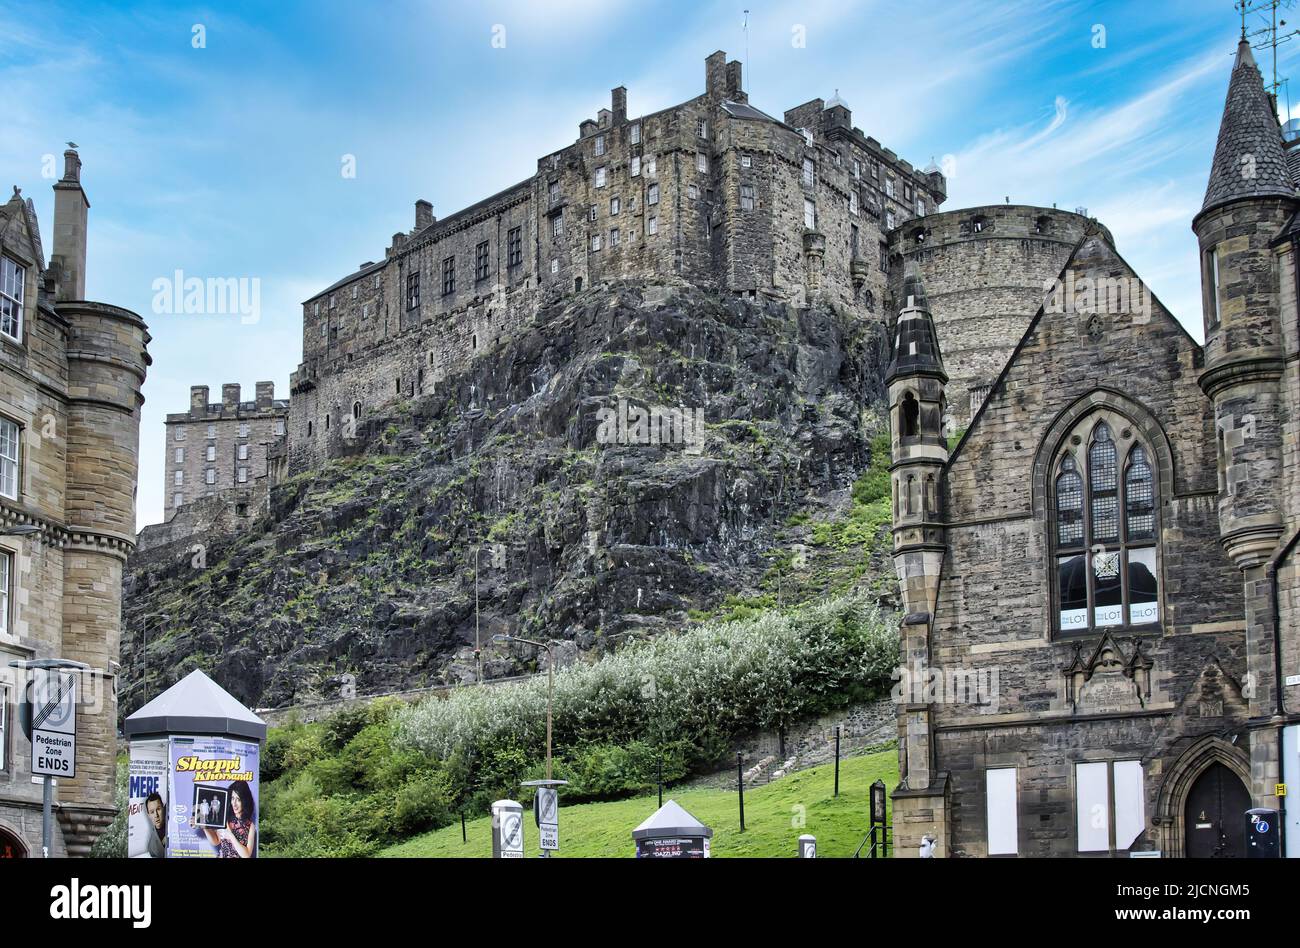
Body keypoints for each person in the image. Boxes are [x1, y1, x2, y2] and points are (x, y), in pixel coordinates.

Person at [199, 781, 256, 858]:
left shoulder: (250, 825)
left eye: (238, 799)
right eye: (232, 798)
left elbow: (246, 855)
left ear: (244, 800)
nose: (234, 803)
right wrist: (203, 826)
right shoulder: (225, 819)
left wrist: (230, 835)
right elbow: (216, 841)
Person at [144, 792, 167, 858]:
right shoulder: (151, 847)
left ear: (163, 807)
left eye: (158, 809)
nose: (156, 815)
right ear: (148, 815)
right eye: (152, 812)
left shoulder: (173, 812)